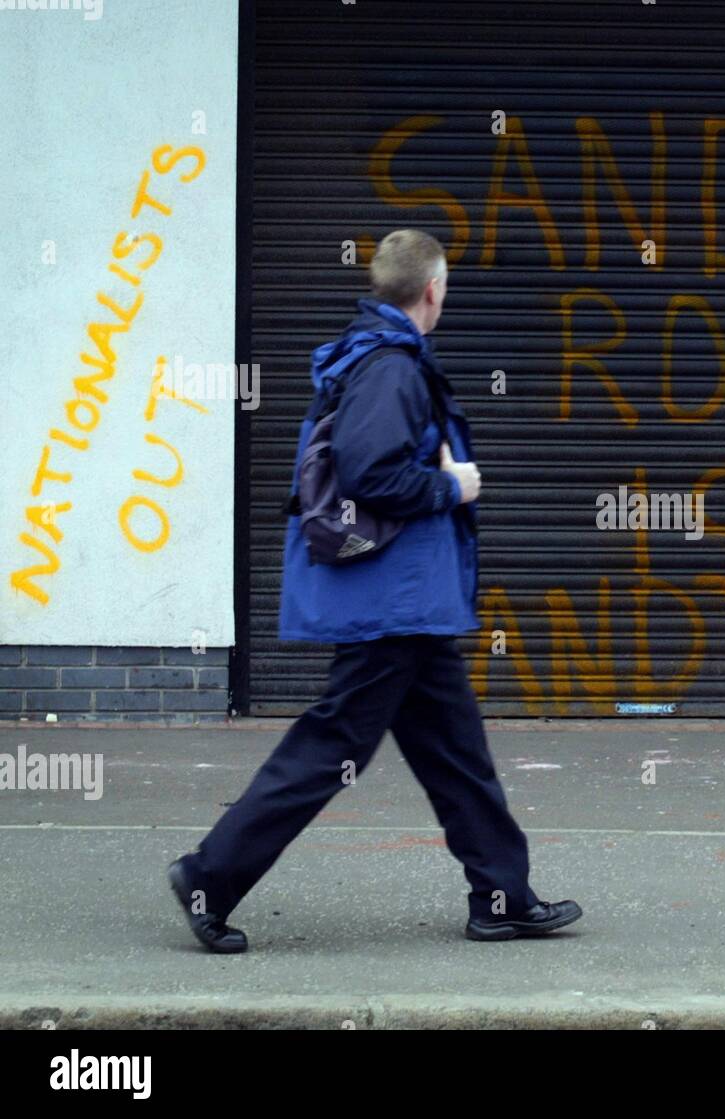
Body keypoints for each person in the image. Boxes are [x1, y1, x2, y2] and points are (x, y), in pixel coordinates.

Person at [167, 229, 581, 952]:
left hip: (409, 604)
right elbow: (369, 474)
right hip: (391, 603)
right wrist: (452, 485)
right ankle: (209, 875)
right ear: (433, 291)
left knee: (456, 754)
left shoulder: (384, 356)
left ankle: (502, 895)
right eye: (445, 285)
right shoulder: (390, 366)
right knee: (330, 746)